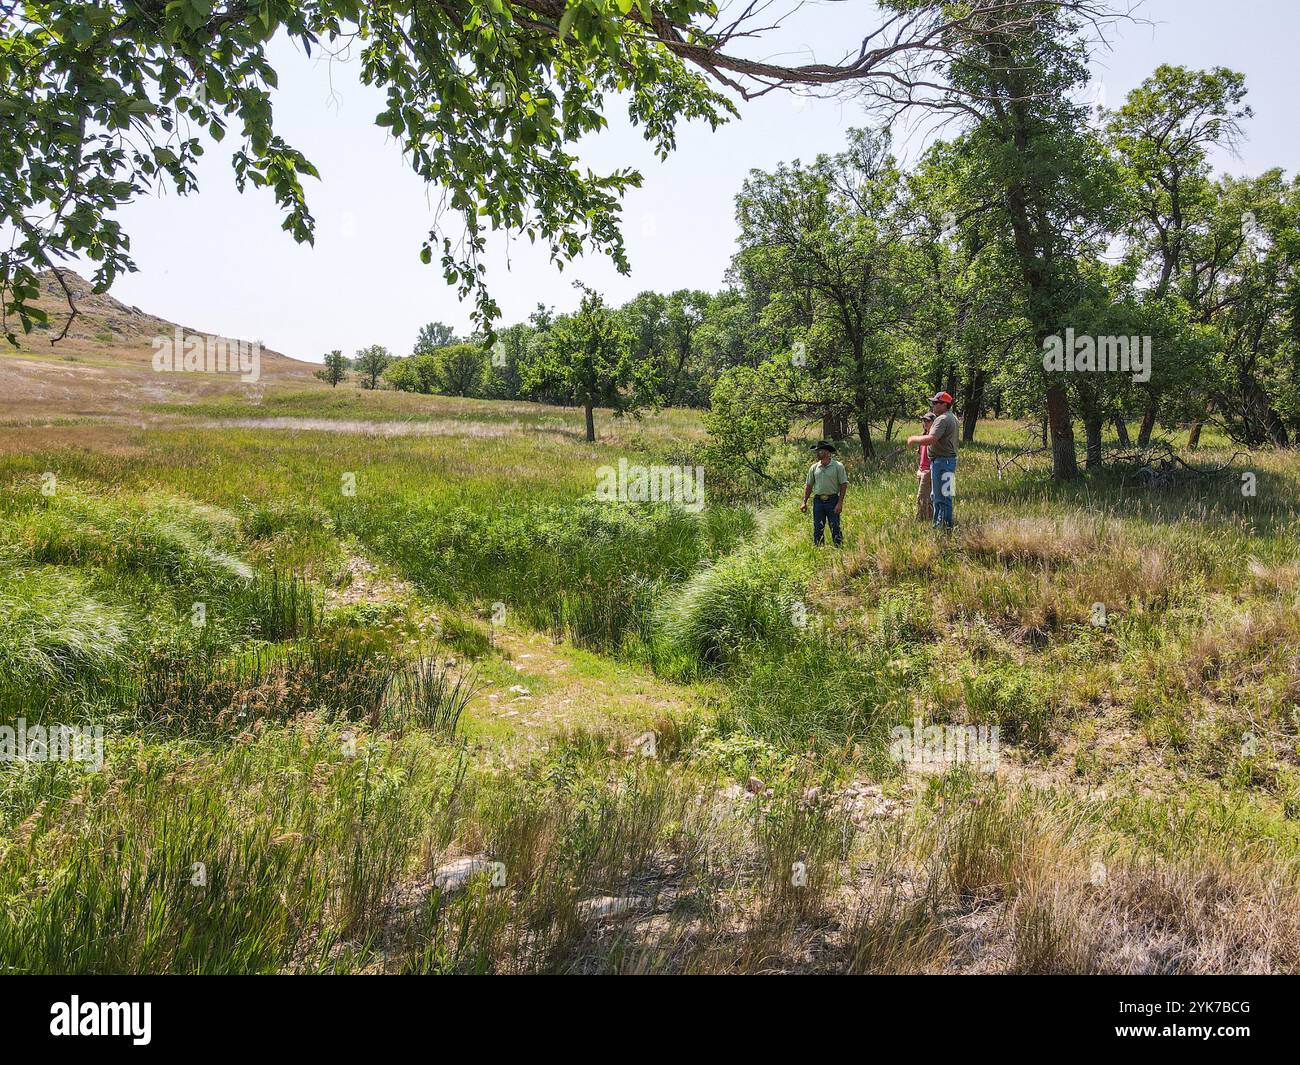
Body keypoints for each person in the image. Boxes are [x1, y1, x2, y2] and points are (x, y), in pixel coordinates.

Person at [907, 392, 958, 530]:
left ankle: (943, 528)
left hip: (942, 462)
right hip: (948, 462)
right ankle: (941, 526)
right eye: (933, 402)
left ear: (945, 404)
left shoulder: (942, 419)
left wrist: (913, 439)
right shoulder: (952, 417)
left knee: (942, 498)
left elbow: (931, 439)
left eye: (936, 403)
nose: (933, 405)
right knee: (942, 496)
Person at [801, 440, 848, 546]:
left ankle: (839, 549)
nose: (817, 454)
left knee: (835, 526)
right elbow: (809, 485)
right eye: (817, 451)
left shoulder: (837, 466)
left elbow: (843, 484)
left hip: (833, 500)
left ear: (827, 452)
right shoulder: (814, 468)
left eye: (820, 451)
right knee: (818, 527)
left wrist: (840, 503)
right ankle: (819, 550)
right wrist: (804, 501)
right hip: (818, 501)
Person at [916, 412, 935, 523]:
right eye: (924, 421)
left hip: (928, 470)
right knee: (926, 499)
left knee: (922, 498)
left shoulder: (934, 438)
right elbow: (920, 454)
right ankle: (928, 519)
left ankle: (920, 520)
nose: (925, 423)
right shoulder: (923, 436)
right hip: (921, 470)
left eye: (928, 421)